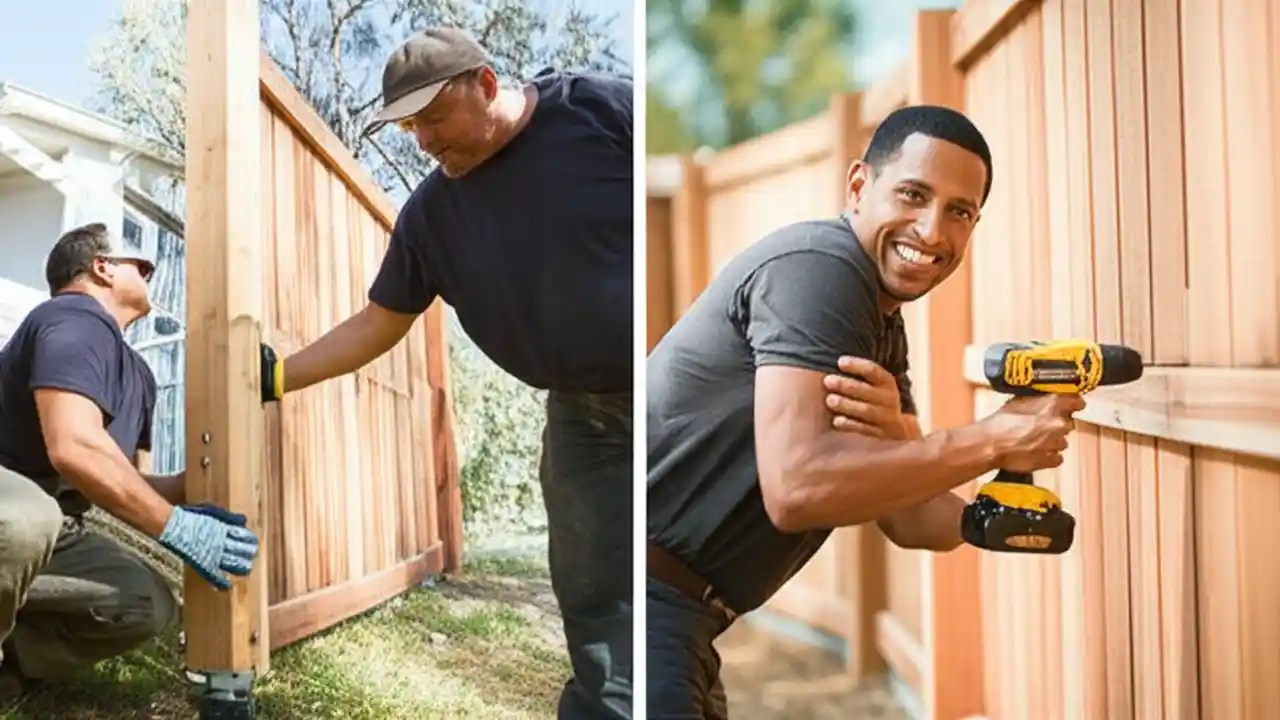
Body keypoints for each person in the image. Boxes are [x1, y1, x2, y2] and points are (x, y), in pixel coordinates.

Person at [644, 105, 1085, 717]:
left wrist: (987, 518)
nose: (932, 231)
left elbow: (910, 517)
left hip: (683, 619)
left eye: (959, 212)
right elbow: (798, 489)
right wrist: (993, 440)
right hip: (645, 603)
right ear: (859, 186)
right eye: (913, 194)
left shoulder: (879, 322)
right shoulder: (820, 271)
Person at [257, 27, 634, 719]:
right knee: (601, 607)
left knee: (693, 587)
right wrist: (277, 377)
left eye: (433, 118)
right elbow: (377, 324)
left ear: (486, 84)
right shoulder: (431, 216)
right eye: (409, 128)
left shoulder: (598, 109)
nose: (423, 142)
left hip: (676, 382)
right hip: (585, 423)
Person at [0, 223, 260, 701]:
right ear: (102, 267)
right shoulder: (73, 318)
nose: (150, 274)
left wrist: (192, 491)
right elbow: (74, 447)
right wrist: (177, 529)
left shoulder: (138, 375)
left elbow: (125, 481)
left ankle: (11, 670)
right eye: (142, 266)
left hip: (51, 526)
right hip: (12, 505)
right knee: (25, 518)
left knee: (146, 603)